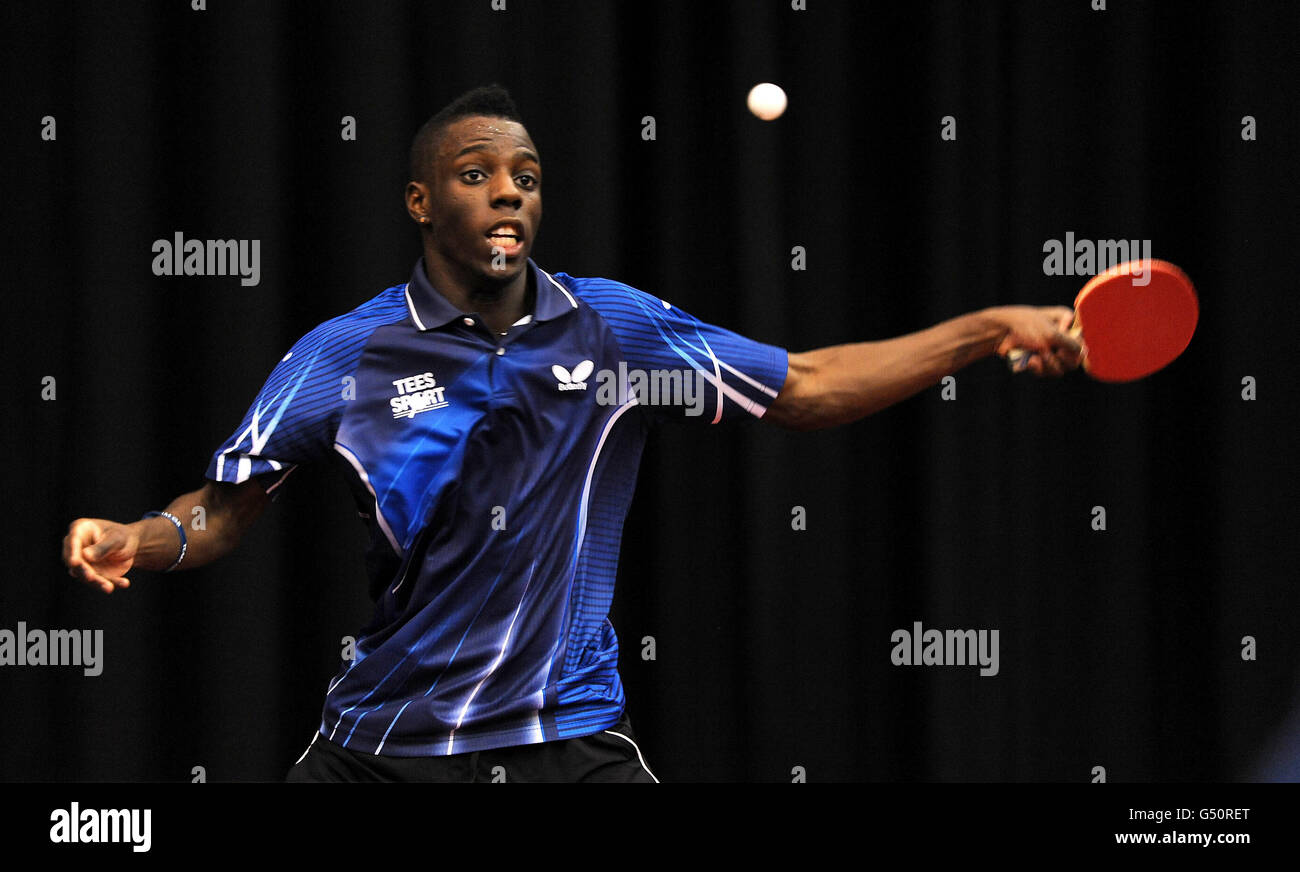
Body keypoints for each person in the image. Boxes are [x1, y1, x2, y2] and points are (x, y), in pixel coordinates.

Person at [61, 84, 1082, 782]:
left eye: (527, 175)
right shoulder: (347, 355)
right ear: (420, 201)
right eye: (476, 173)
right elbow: (227, 505)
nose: (509, 189)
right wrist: (137, 538)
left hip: (566, 737)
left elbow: (809, 384)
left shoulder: (611, 327)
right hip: (384, 745)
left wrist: (988, 328)